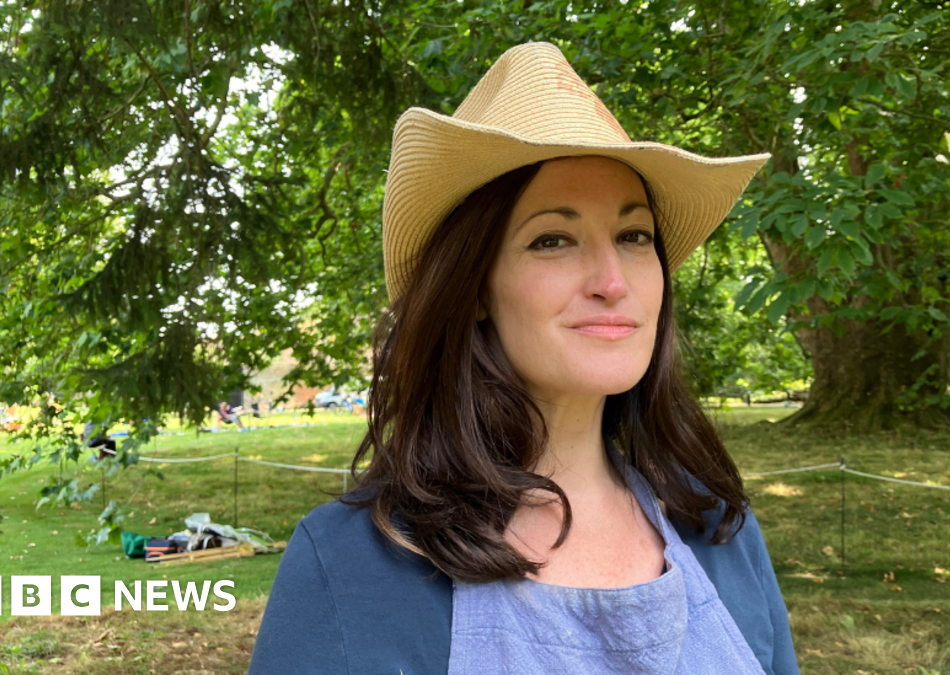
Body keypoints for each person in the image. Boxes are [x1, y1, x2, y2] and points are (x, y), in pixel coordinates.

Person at [248, 42, 795, 674]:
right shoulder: (353, 565)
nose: (612, 281)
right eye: (554, 239)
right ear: (475, 288)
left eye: (634, 235)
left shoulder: (719, 527)